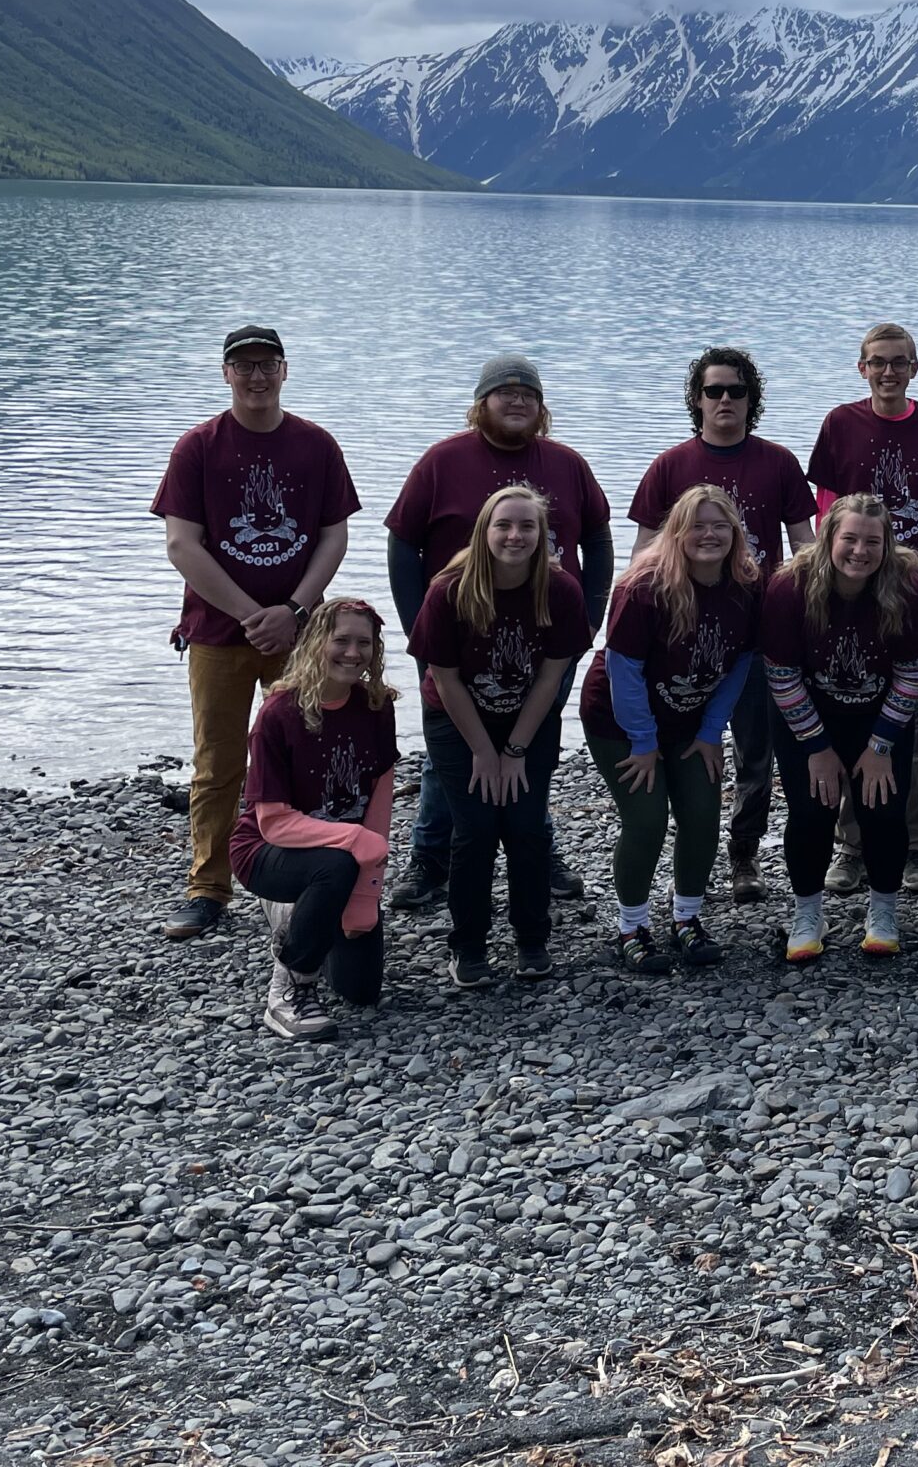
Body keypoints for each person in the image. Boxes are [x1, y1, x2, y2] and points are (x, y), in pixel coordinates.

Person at [150, 325, 358, 941]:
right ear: (226, 374)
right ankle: (207, 888)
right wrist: (253, 615)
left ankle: (309, 874)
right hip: (218, 634)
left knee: (307, 753)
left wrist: (293, 610)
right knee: (217, 763)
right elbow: (181, 545)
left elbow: (334, 536)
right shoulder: (198, 447)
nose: (256, 376)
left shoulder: (316, 445)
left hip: (300, 633)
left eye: (268, 365)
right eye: (244, 366)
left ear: (285, 371)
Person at [385, 355, 611, 912]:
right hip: (455, 642)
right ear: (480, 403)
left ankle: (537, 848)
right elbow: (402, 544)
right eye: (504, 392)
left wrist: (590, 616)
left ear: (541, 407)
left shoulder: (567, 464)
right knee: (450, 752)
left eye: (528, 393)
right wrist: (419, 629)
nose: (517, 401)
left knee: (531, 744)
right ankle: (430, 858)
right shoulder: (441, 462)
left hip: (545, 641)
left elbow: (599, 539)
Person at [628, 348, 814, 905]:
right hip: (683, 640)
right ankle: (688, 857)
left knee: (756, 752)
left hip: (756, 636)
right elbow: (643, 556)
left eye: (737, 390)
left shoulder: (778, 462)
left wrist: (811, 610)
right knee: (687, 745)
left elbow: (804, 545)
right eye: (714, 391)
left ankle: (744, 854)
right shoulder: (669, 467)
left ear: (752, 399)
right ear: (698, 399)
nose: (726, 399)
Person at [405, 484, 592, 987]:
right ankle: (467, 946)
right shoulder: (450, 589)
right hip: (456, 718)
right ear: (483, 532)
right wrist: (484, 752)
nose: (515, 535)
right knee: (476, 827)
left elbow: (552, 677)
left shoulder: (561, 589)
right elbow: (445, 679)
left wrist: (514, 749)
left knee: (527, 825)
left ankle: (531, 938)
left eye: (527, 526)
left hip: (527, 717)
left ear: (542, 534)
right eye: (503, 525)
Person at [805, 323, 918, 897]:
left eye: (899, 362)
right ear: (862, 368)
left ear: (914, 369)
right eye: (878, 362)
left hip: (911, 597)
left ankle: (914, 848)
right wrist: (825, 584)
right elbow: (826, 513)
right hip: (850, 596)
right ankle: (850, 848)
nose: (888, 372)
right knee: (850, 720)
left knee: (915, 732)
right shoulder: (840, 424)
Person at [586, 484, 763, 974]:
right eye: (697, 526)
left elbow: (740, 663)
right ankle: (631, 927)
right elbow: (623, 671)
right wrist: (643, 742)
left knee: (703, 815)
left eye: (720, 526)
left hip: (690, 721)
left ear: (735, 533)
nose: (709, 535)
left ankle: (686, 919)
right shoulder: (643, 587)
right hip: (620, 721)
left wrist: (711, 732)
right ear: (677, 532)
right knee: (646, 819)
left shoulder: (747, 585)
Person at [761, 493, 918, 963]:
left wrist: (880, 746)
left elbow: (913, 672)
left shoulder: (908, 586)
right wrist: (817, 747)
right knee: (811, 811)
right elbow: (781, 674)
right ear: (828, 538)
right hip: (805, 715)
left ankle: (883, 912)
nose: (860, 551)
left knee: (885, 810)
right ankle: (808, 914)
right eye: (850, 539)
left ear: (887, 544)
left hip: (879, 716)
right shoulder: (789, 586)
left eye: (872, 542)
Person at [231, 598, 400, 1040]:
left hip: (345, 855)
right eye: (341, 640)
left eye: (364, 642)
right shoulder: (279, 714)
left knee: (360, 991)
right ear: (315, 643)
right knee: (334, 865)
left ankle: (310, 916)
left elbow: (380, 794)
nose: (353, 652)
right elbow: (274, 823)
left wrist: (367, 891)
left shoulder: (376, 705)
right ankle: (289, 987)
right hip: (268, 850)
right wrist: (357, 843)